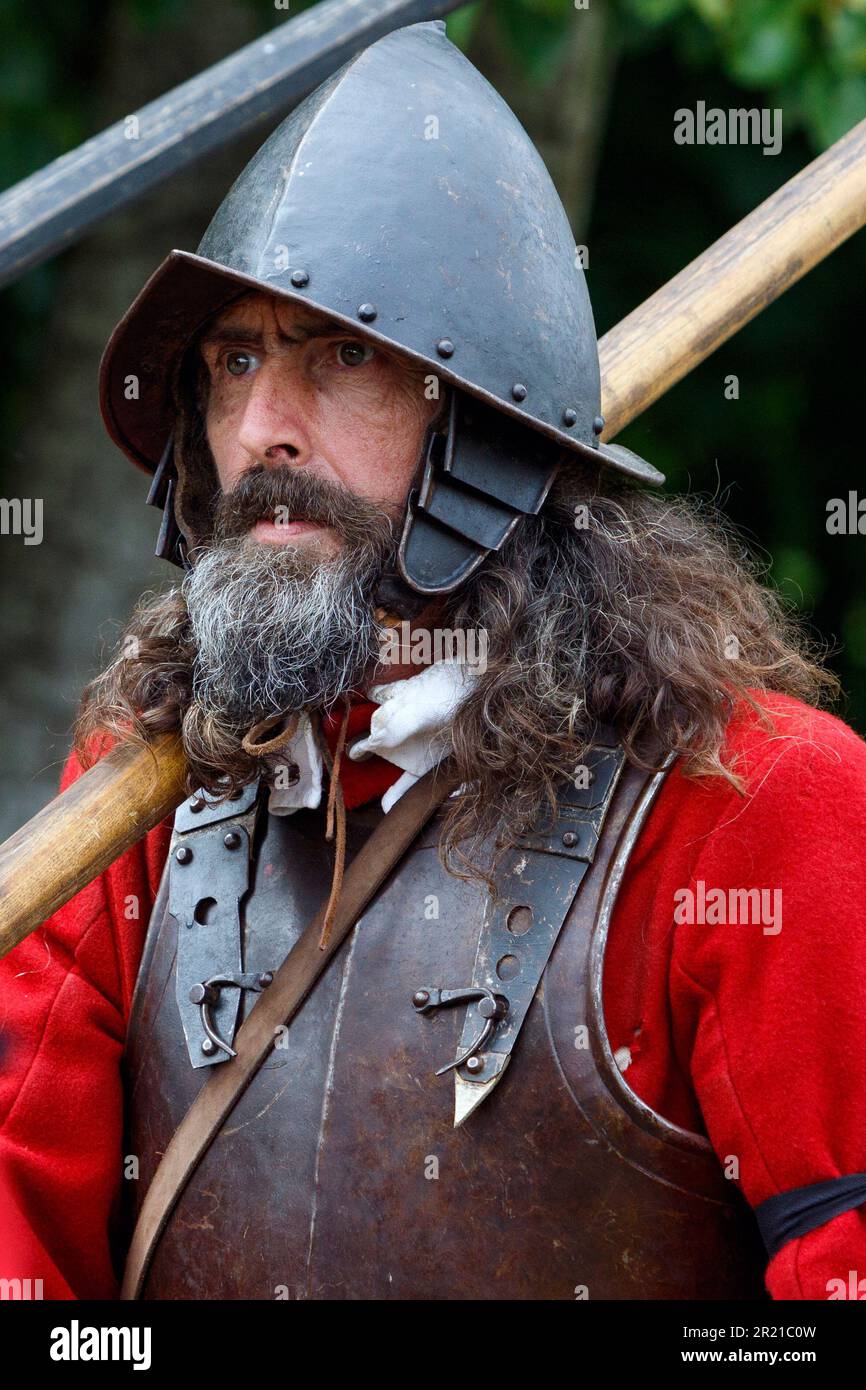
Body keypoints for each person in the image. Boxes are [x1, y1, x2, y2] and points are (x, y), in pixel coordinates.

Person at [1, 20, 865, 1302]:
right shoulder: (135, 798)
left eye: (339, 355)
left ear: (481, 428)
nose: (258, 429)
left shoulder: (751, 800)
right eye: (233, 361)